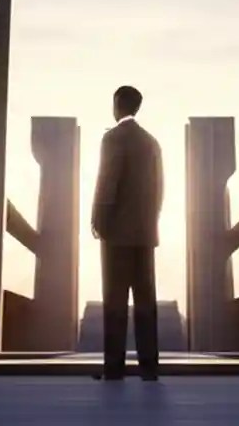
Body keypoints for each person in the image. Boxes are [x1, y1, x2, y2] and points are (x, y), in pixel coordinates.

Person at [90, 85, 164, 381]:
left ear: (118, 104)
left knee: (115, 301)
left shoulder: (113, 138)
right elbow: (160, 189)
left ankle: (114, 367)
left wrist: (99, 220)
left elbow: (107, 181)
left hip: (117, 234)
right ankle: (149, 367)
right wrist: (151, 221)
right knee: (146, 301)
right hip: (144, 233)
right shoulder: (151, 142)